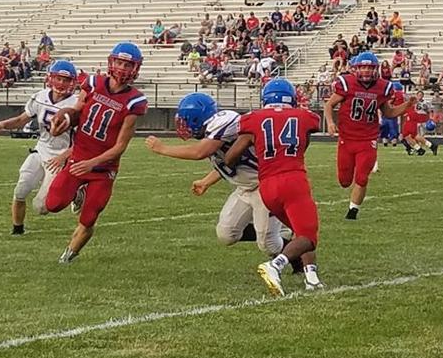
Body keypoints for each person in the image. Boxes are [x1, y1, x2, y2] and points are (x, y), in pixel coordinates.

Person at [145, 92, 287, 258]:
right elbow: (227, 162)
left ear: (197, 117)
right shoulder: (214, 133)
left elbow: (200, 152)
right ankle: (269, 232)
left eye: (185, 119)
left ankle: (293, 250)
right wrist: (207, 181)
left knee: (269, 246)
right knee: (226, 234)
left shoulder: (225, 120)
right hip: (244, 188)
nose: (183, 124)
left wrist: (163, 149)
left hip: (265, 186)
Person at [46, 42, 147, 263]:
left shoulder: (134, 101)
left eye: (127, 64)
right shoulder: (93, 83)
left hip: (103, 169)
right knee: (52, 204)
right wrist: (61, 118)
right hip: (77, 159)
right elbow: (75, 112)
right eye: (119, 62)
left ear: (135, 69)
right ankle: (77, 192)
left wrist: (93, 163)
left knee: (89, 217)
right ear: (111, 62)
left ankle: (67, 257)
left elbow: (120, 146)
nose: (122, 68)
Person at [225, 78, 324, 296]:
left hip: (267, 187)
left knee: (301, 232)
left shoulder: (252, 120)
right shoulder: (305, 116)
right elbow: (303, 142)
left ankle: (312, 278)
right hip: (293, 180)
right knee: (309, 236)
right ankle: (275, 266)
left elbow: (230, 157)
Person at [0, 61, 79, 235]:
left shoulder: (77, 105)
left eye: (66, 80)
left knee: (41, 207)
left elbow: (84, 141)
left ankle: (75, 191)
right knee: (20, 190)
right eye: (58, 78)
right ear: (51, 78)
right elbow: (21, 119)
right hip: (41, 150)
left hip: (60, 156)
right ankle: (17, 230)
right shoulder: (40, 96)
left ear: (72, 82)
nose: (61, 83)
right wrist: (3, 123)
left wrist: (64, 157)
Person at [324, 53, 416, 220]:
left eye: (370, 67)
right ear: (356, 69)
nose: (366, 70)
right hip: (346, 138)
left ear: (376, 69)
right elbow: (329, 104)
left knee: (362, 177)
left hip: (368, 139)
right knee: (344, 181)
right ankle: (352, 204)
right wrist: (330, 122)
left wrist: (407, 105)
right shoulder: (347, 83)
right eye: (363, 67)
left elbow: (389, 112)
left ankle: (353, 211)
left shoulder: (383, 87)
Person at [401, 91, 437, 156]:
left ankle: (419, 149)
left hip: (415, 119)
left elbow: (427, 111)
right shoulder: (412, 103)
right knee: (414, 136)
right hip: (413, 119)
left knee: (409, 136)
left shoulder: (417, 103)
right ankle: (429, 146)